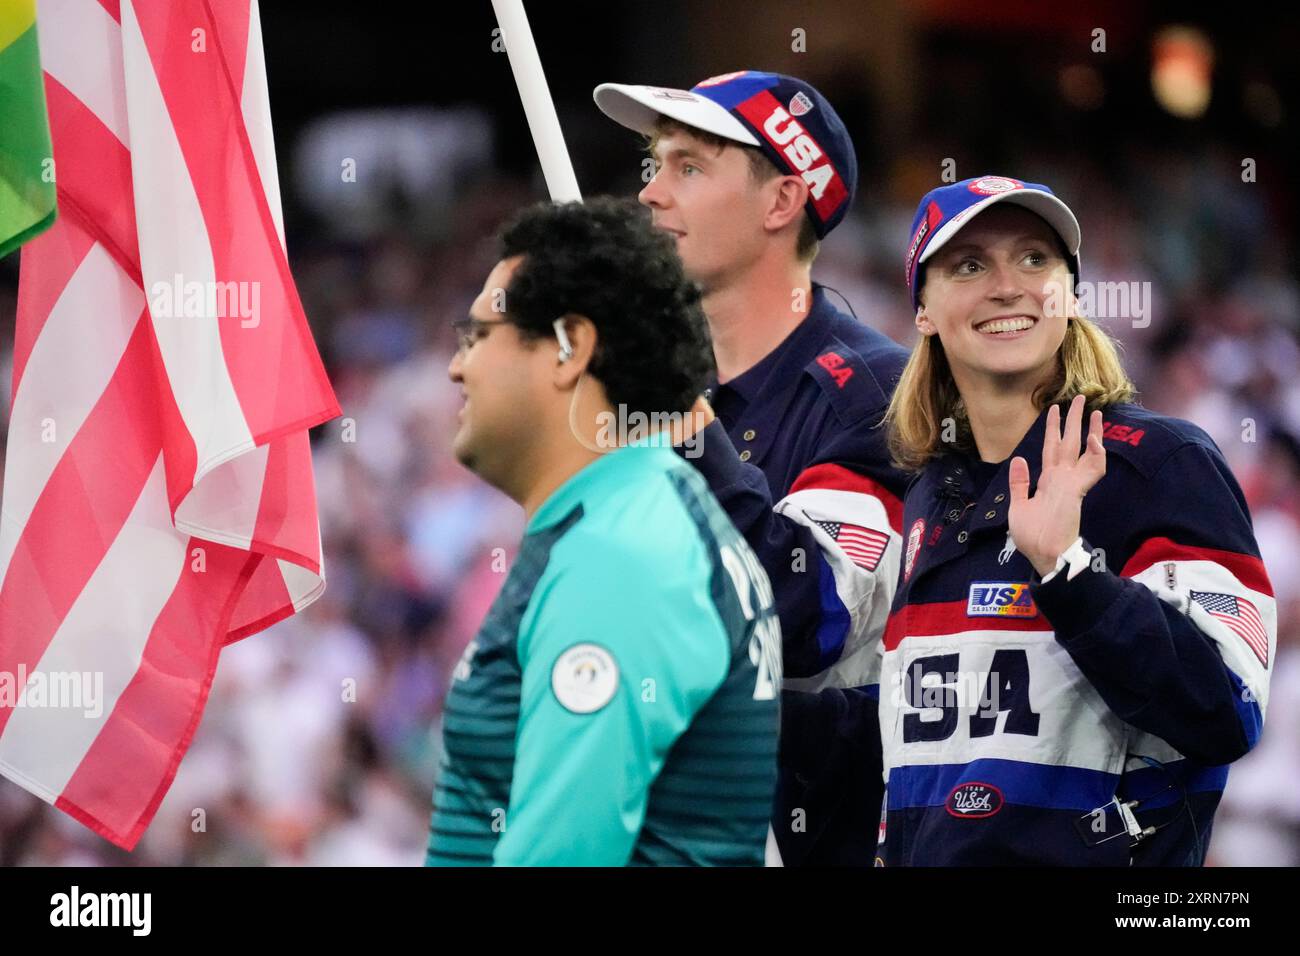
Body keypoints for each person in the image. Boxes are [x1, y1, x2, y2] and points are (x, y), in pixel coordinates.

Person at [878, 175, 1275, 865]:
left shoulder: (1161, 464)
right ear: (923, 311)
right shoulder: (926, 495)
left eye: (1036, 259)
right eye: (970, 265)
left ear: (1071, 292)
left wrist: (1069, 573)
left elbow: (1225, 708)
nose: (1009, 286)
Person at [594, 70, 911, 865]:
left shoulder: (874, 394)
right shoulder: (658, 391)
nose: (649, 195)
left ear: (782, 202)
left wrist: (687, 434)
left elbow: (810, 616)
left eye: (688, 168)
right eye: (653, 165)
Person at [425, 197, 781, 866]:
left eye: (477, 336)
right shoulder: (633, 518)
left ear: (569, 349)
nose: (456, 366)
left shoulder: (620, 557)